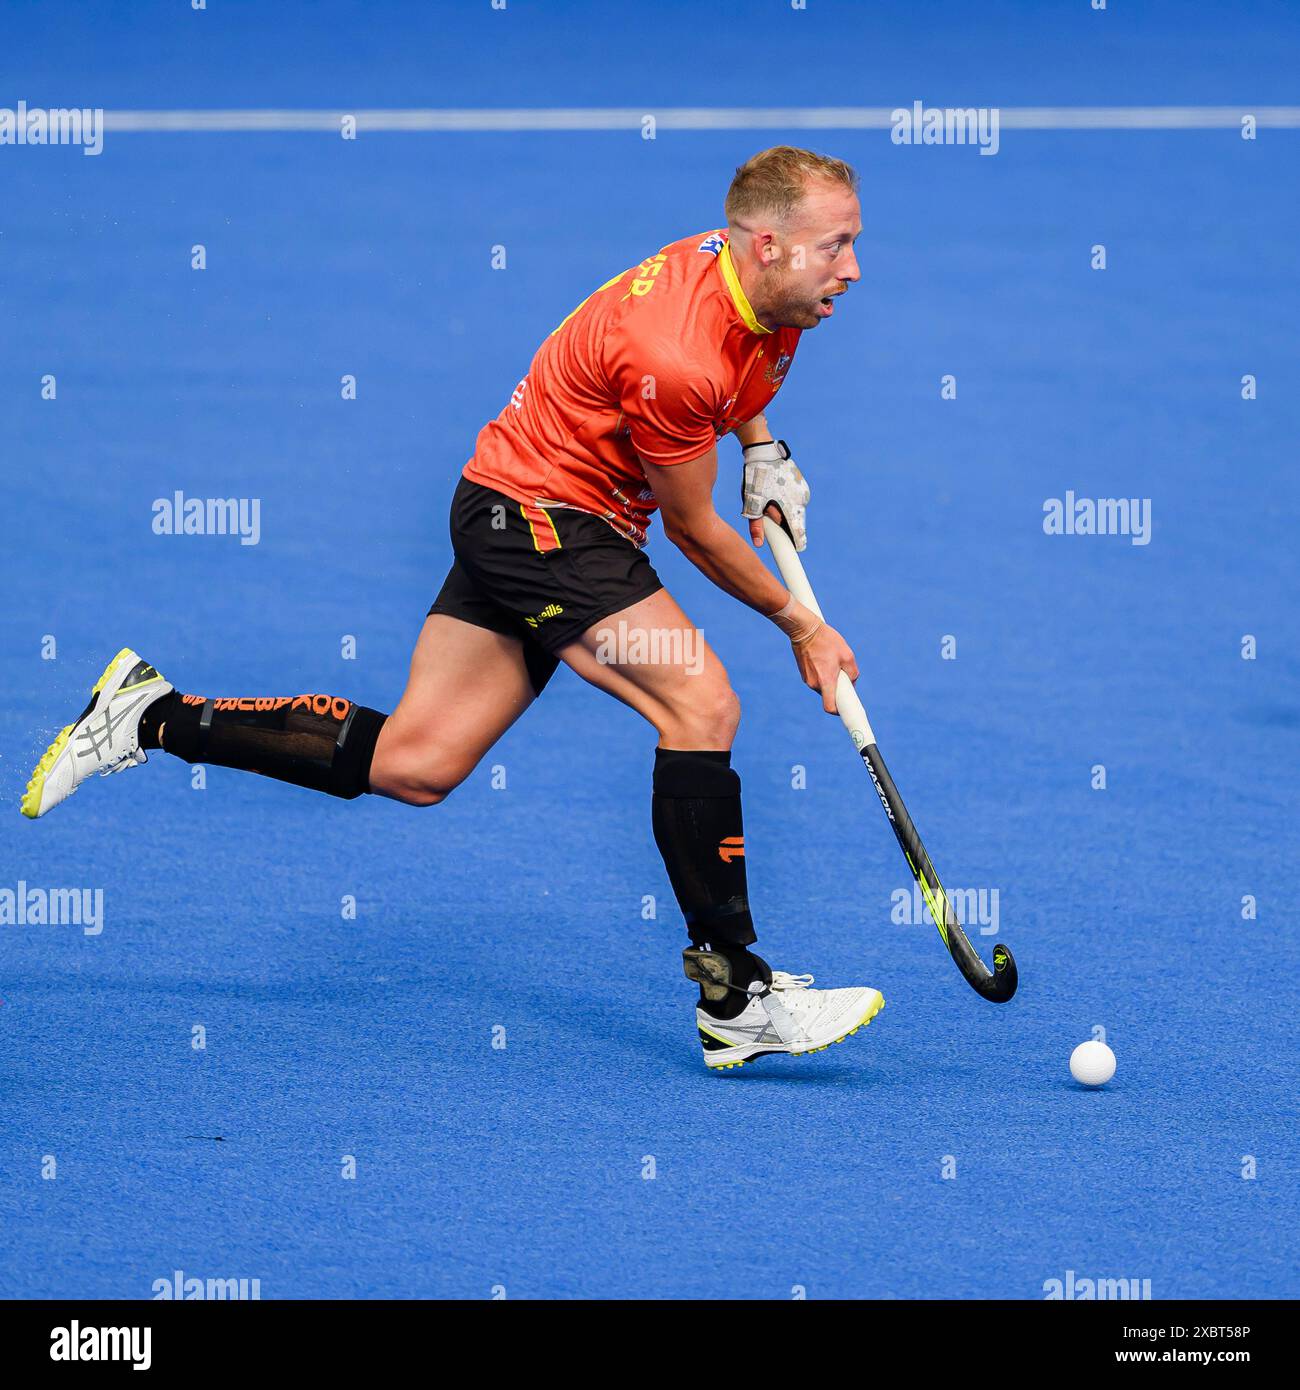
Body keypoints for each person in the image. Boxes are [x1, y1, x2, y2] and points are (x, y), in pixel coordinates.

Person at [22, 145, 884, 1072]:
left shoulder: (762, 286)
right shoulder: (675, 350)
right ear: (763, 244)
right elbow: (695, 530)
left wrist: (761, 449)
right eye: (835, 247)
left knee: (419, 763)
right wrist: (803, 625)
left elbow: (741, 373)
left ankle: (150, 714)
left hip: (513, 507)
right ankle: (737, 995)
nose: (854, 268)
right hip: (545, 525)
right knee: (701, 703)